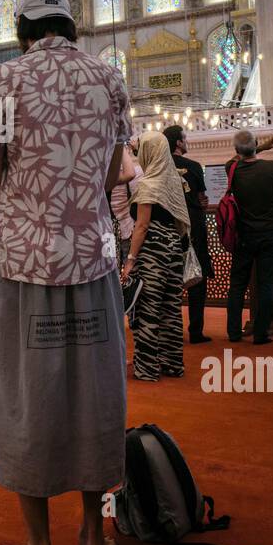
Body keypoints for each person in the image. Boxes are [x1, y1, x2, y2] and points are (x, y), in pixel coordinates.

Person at [0, 0, 129, 545]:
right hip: (92, 259)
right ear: (70, 26)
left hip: (23, 262)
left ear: (22, 33)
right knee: (94, 390)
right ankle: (93, 535)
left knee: (26, 396)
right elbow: (113, 171)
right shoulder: (109, 79)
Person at [123, 133, 190, 381]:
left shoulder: (149, 184)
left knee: (148, 310)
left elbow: (141, 227)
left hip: (152, 250)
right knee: (170, 308)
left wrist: (130, 259)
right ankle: (172, 363)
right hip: (173, 249)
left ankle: (147, 367)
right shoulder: (173, 183)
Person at [225, 129, 273, 346]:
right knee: (266, 284)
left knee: (237, 285)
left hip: (243, 235)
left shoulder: (232, 169)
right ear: (254, 143)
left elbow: (237, 157)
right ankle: (261, 334)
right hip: (269, 233)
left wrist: (257, 146)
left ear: (236, 149)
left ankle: (234, 332)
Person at [163, 124, 214, 344]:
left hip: (167, 223)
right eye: (185, 138)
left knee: (169, 275)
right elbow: (202, 198)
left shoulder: (160, 166)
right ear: (179, 143)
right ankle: (195, 330)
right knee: (197, 275)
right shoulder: (193, 166)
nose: (188, 141)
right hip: (193, 223)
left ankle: (169, 330)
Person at [109, 143, 143, 267]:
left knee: (110, 271)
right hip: (128, 230)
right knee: (131, 274)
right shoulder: (135, 172)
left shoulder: (104, 175)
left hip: (107, 232)